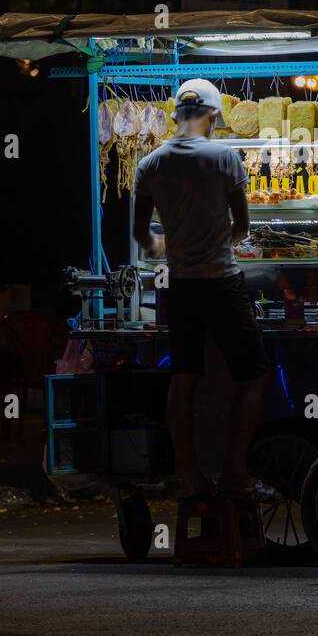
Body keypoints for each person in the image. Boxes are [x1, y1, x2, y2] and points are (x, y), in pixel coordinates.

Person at [132, 77, 269, 499]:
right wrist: (216, 243)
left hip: (180, 288)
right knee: (254, 376)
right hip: (222, 284)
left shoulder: (149, 164)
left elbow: (142, 236)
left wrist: (169, 246)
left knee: (184, 377)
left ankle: (189, 476)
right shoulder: (224, 158)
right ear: (212, 115)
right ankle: (234, 472)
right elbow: (242, 227)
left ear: (177, 115)